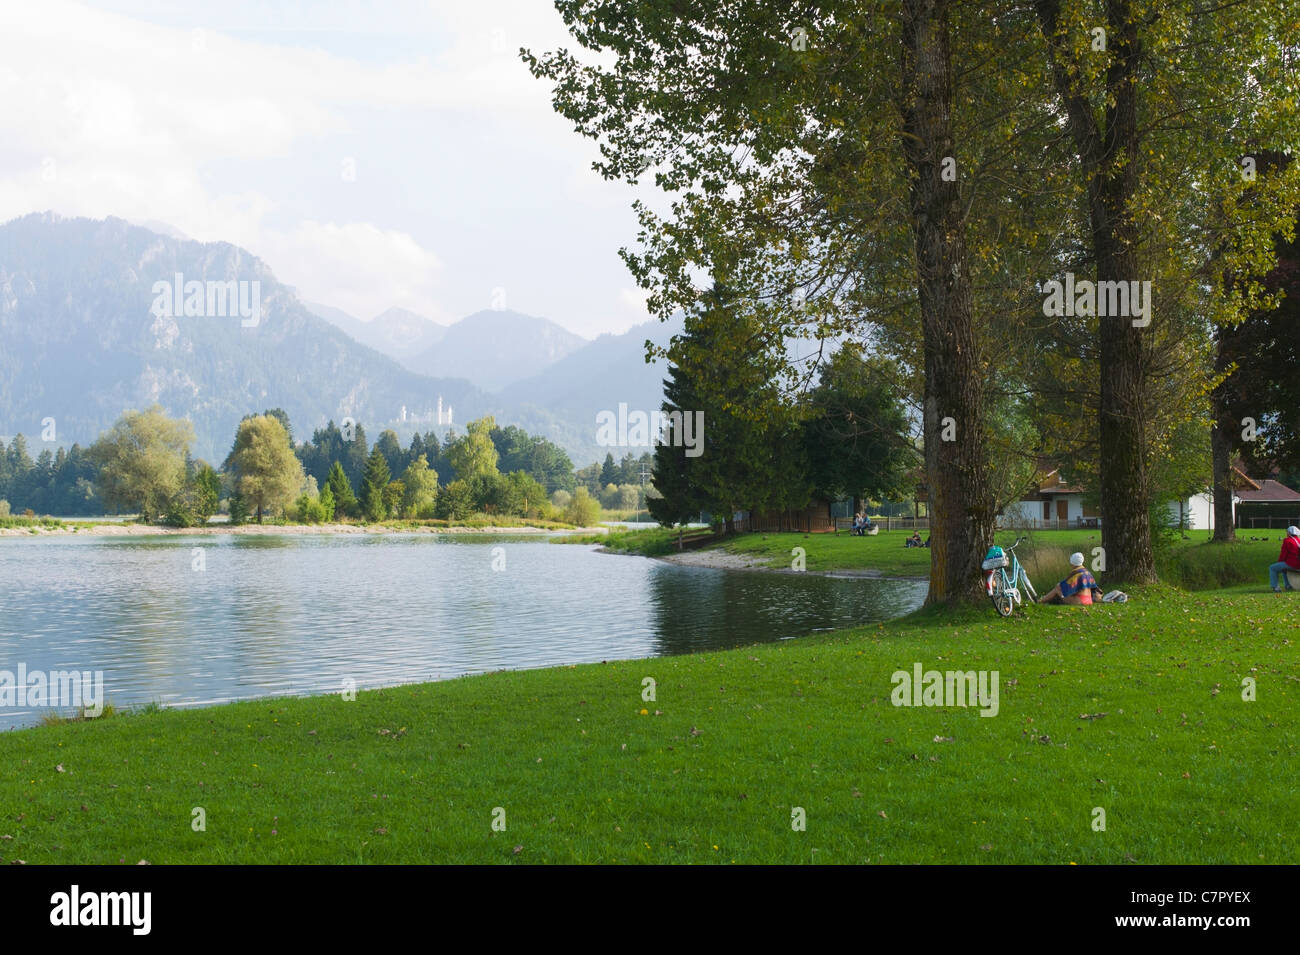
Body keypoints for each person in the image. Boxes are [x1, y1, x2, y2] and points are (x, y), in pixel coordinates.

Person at [1038, 552, 1103, 605]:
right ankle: (1044, 600)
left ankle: (1040, 601)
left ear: (1072, 563)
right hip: (1089, 600)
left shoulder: (1076, 573)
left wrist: (1059, 586)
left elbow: (1062, 586)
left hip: (1080, 601)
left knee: (1057, 589)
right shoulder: (1087, 572)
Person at [1268, 525, 1300, 593]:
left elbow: (1283, 554)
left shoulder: (1287, 541)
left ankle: (1275, 587)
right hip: (1298, 564)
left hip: (1293, 564)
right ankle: (1288, 585)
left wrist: (1279, 562)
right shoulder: (1298, 540)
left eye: (1287, 532)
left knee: (1272, 568)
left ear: (1289, 533)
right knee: (1283, 569)